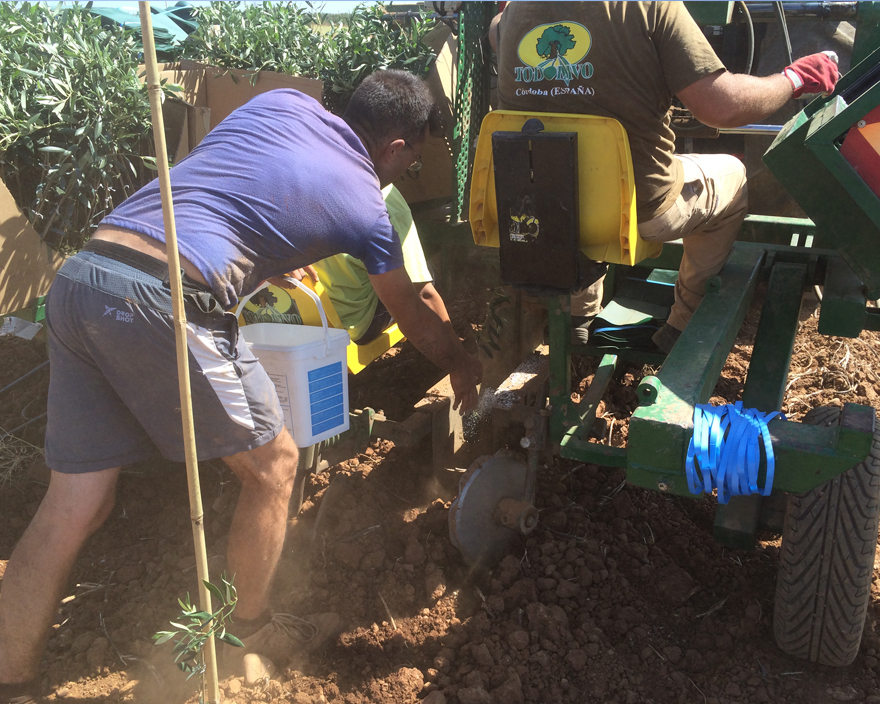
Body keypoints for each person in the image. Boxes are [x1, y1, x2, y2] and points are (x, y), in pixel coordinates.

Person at [0, 70, 482, 702]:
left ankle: (10, 681)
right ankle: (251, 637)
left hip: (85, 277)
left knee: (73, 506)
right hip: (165, 296)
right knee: (275, 464)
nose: (406, 173)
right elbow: (415, 313)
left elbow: (235, 184)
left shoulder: (283, 102)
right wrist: (463, 361)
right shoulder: (367, 201)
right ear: (397, 147)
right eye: (413, 160)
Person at [491, 2, 839, 351]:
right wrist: (794, 77)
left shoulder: (511, 16)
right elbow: (723, 107)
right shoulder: (651, 7)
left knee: (572, 172)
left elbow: (496, 32)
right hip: (644, 212)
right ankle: (682, 324)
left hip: (541, 209)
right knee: (734, 174)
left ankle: (578, 316)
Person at [314, 183, 443, 345]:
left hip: (299, 318)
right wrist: (460, 361)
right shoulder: (383, 195)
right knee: (421, 270)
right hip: (354, 325)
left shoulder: (299, 186)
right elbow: (421, 292)